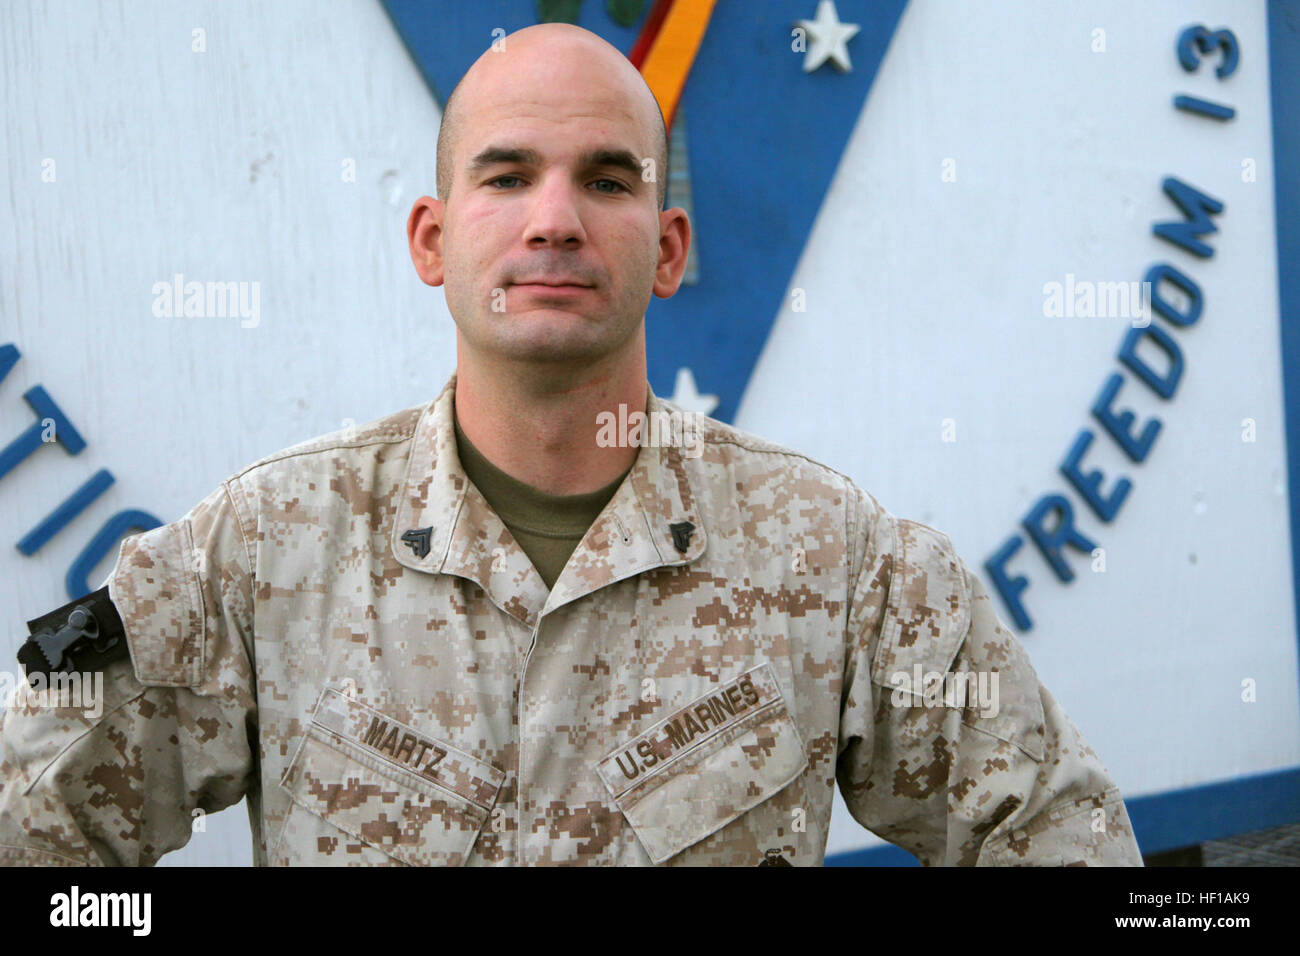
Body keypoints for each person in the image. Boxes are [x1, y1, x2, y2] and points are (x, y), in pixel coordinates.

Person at [0, 23, 1141, 867]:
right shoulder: (262, 551)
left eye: (607, 178)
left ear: (669, 246)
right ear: (432, 240)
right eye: (506, 175)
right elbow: (34, 829)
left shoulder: (835, 560)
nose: (555, 217)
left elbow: (1057, 831)